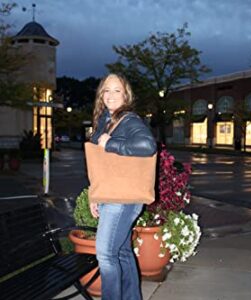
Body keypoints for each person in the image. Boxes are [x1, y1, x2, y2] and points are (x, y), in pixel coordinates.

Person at [89, 73, 157, 300]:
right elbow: (99, 166)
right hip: (111, 195)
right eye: (106, 90)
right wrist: (93, 194)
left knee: (106, 255)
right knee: (122, 252)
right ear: (101, 94)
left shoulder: (129, 120)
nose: (111, 95)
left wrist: (111, 143)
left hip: (123, 200)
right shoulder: (104, 121)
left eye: (117, 90)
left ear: (126, 95)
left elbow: (147, 145)